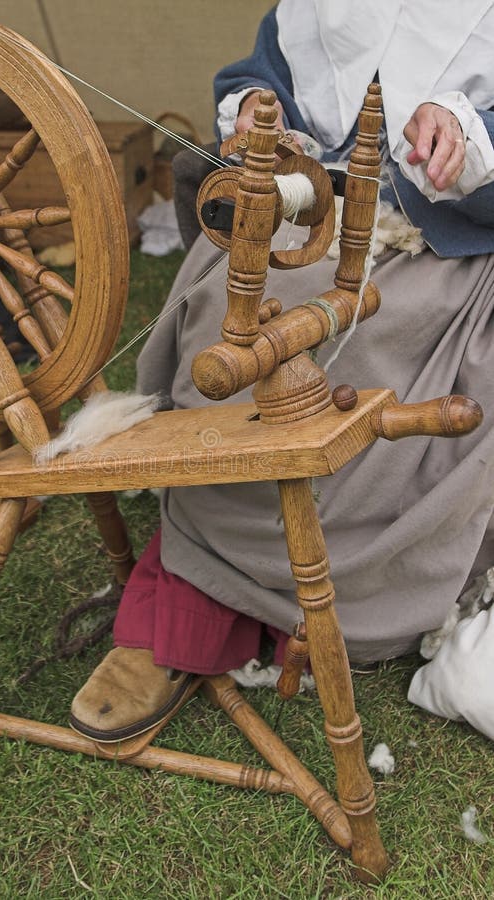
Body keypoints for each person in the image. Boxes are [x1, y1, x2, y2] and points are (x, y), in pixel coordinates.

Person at [70, 0, 494, 742]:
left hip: (445, 251)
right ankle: (193, 595)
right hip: (306, 220)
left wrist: (471, 136)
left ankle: (362, 593)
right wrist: (254, 112)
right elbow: (258, 72)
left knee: (385, 342)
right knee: (227, 324)